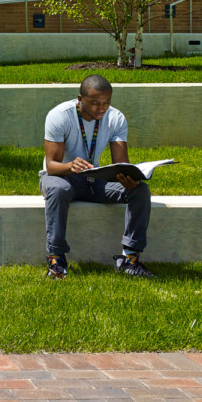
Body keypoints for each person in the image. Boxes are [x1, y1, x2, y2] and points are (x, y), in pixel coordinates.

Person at [39, 74, 154, 280]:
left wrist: (128, 178)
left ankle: (130, 259)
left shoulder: (115, 117)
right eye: (94, 103)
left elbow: (121, 164)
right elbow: (51, 166)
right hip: (63, 177)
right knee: (58, 189)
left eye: (106, 102)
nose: (101, 108)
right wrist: (70, 165)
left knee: (139, 190)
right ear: (80, 99)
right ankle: (56, 260)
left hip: (95, 179)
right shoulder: (60, 116)